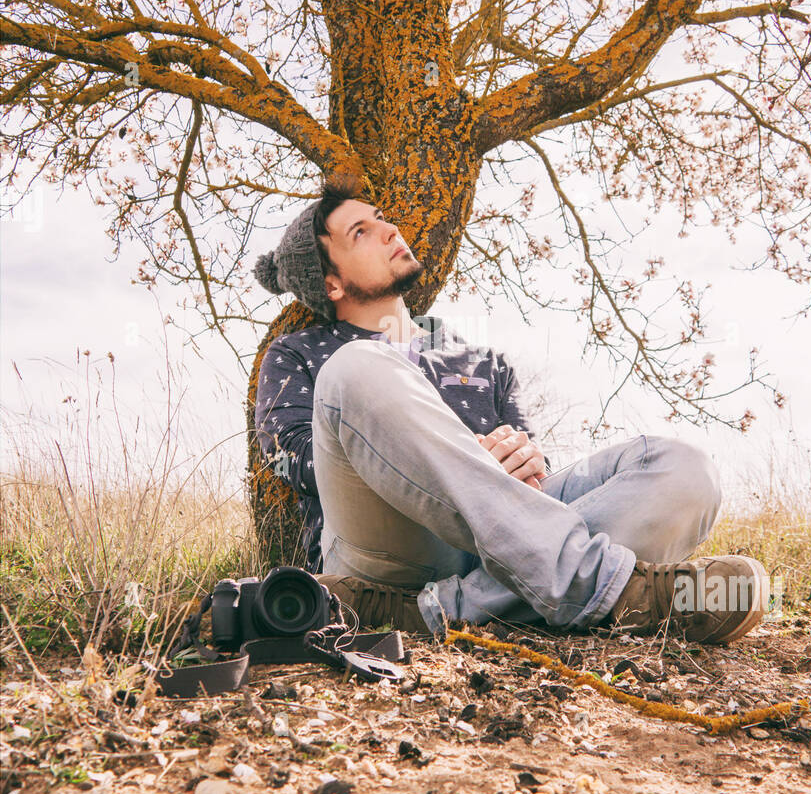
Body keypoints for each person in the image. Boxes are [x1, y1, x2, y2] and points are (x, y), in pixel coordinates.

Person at [253, 177, 770, 643]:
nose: (389, 229)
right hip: (387, 544)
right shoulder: (303, 353)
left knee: (684, 468)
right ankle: (606, 588)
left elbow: (530, 479)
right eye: (361, 232)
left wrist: (522, 462)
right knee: (355, 367)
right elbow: (289, 461)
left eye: (381, 217)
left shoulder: (482, 361)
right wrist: (461, 461)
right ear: (330, 284)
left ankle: (441, 611)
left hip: (496, 548)